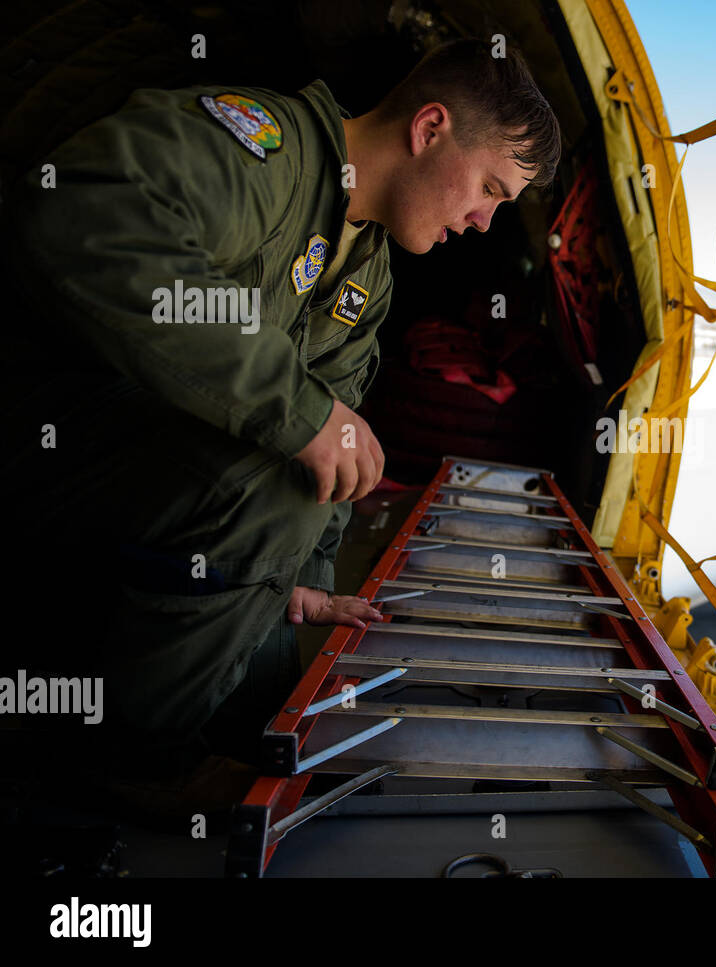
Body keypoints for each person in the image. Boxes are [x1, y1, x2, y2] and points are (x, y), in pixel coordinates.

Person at [0, 37, 561, 811]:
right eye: (490, 187)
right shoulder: (263, 152)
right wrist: (297, 415)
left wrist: (307, 576)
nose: (484, 221)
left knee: (281, 587)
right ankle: (125, 764)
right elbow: (76, 212)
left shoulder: (366, 271)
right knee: (271, 474)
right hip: (50, 444)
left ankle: (235, 746)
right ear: (430, 128)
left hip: (137, 472)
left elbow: (337, 442)